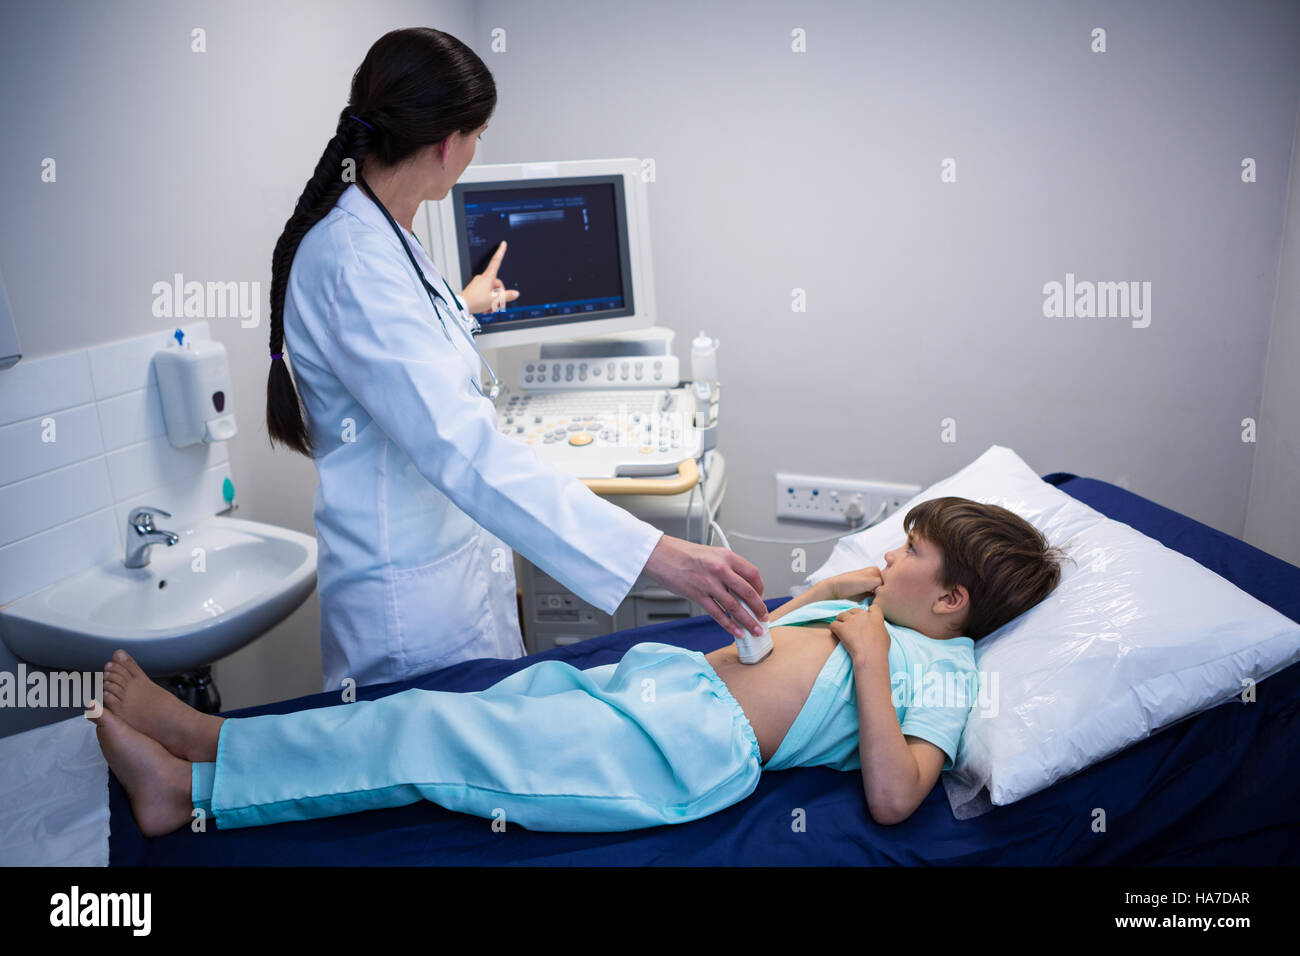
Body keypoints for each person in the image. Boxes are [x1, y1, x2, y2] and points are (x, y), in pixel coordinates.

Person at [265, 26, 768, 691]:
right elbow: (462, 448)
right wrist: (658, 553)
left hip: (451, 578)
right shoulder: (354, 260)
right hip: (408, 609)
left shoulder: (383, 233)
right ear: (449, 143)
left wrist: (461, 307)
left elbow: (396, 358)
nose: (474, 152)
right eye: (477, 137)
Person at [92, 497, 1068, 835]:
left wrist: (863, 649)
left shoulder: (940, 669)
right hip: (665, 684)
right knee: (457, 701)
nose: (888, 559)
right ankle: (216, 743)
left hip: (689, 747)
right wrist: (834, 592)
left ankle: (196, 785)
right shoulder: (871, 601)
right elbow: (767, 635)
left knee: (437, 734)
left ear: (950, 603)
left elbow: (896, 794)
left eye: (907, 556)